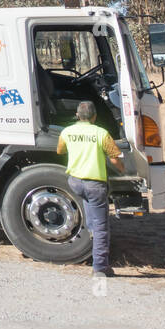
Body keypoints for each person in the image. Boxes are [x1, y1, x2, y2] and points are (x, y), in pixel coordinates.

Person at [56, 100, 125, 276]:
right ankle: (100, 267)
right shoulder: (101, 133)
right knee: (102, 227)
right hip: (95, 184)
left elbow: (60, 151)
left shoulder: (67, 132)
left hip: (76, 183)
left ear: (77, 115)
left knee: (92, 219)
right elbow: (115, 158)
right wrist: (122, 171)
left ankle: (92, 235)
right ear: (94, 116)